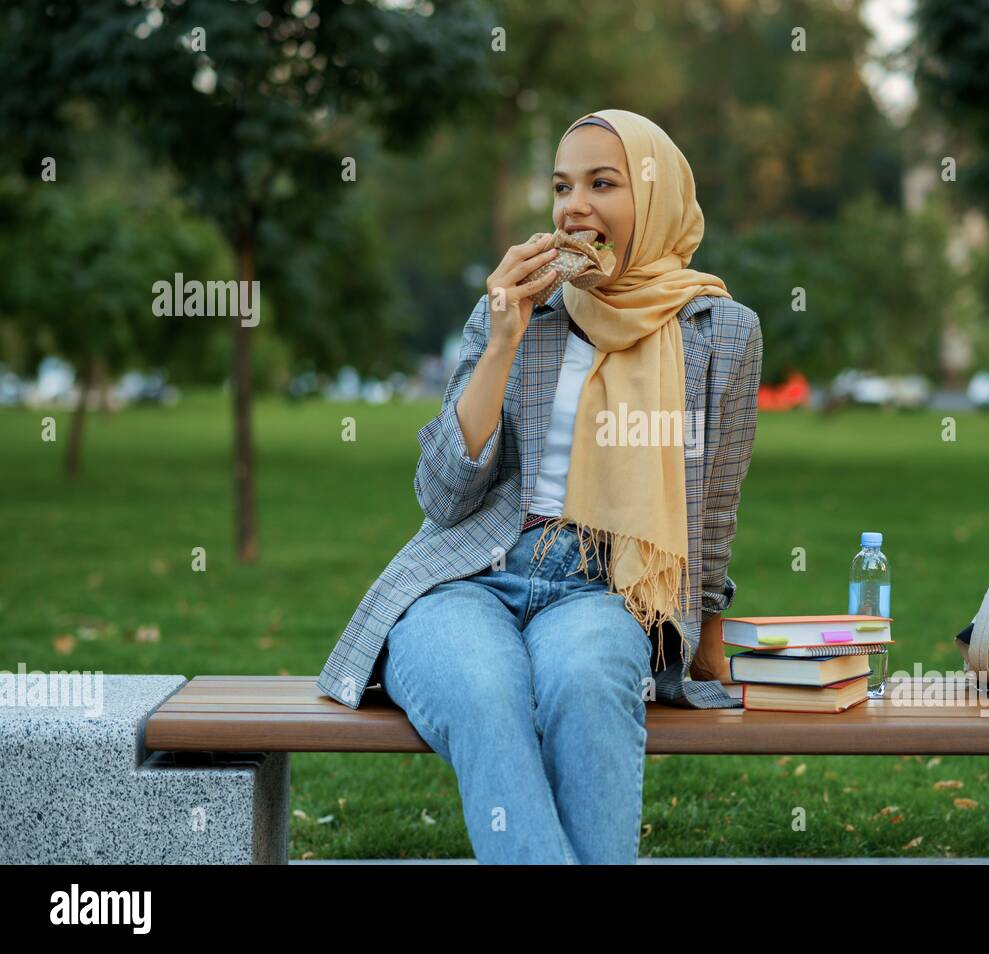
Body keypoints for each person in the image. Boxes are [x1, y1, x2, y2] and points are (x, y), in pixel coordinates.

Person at [315, 108, 763, 864]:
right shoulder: (516, 311)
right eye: (562, 186)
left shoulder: (720, 333)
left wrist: (707, 640)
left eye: (602, 183)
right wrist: (502, 343)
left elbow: (713, 510)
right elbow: (443, 497)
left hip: (603, 589)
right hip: (468, 579)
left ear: (655, 202)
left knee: (589, 688)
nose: (574, 207)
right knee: (485, 695)